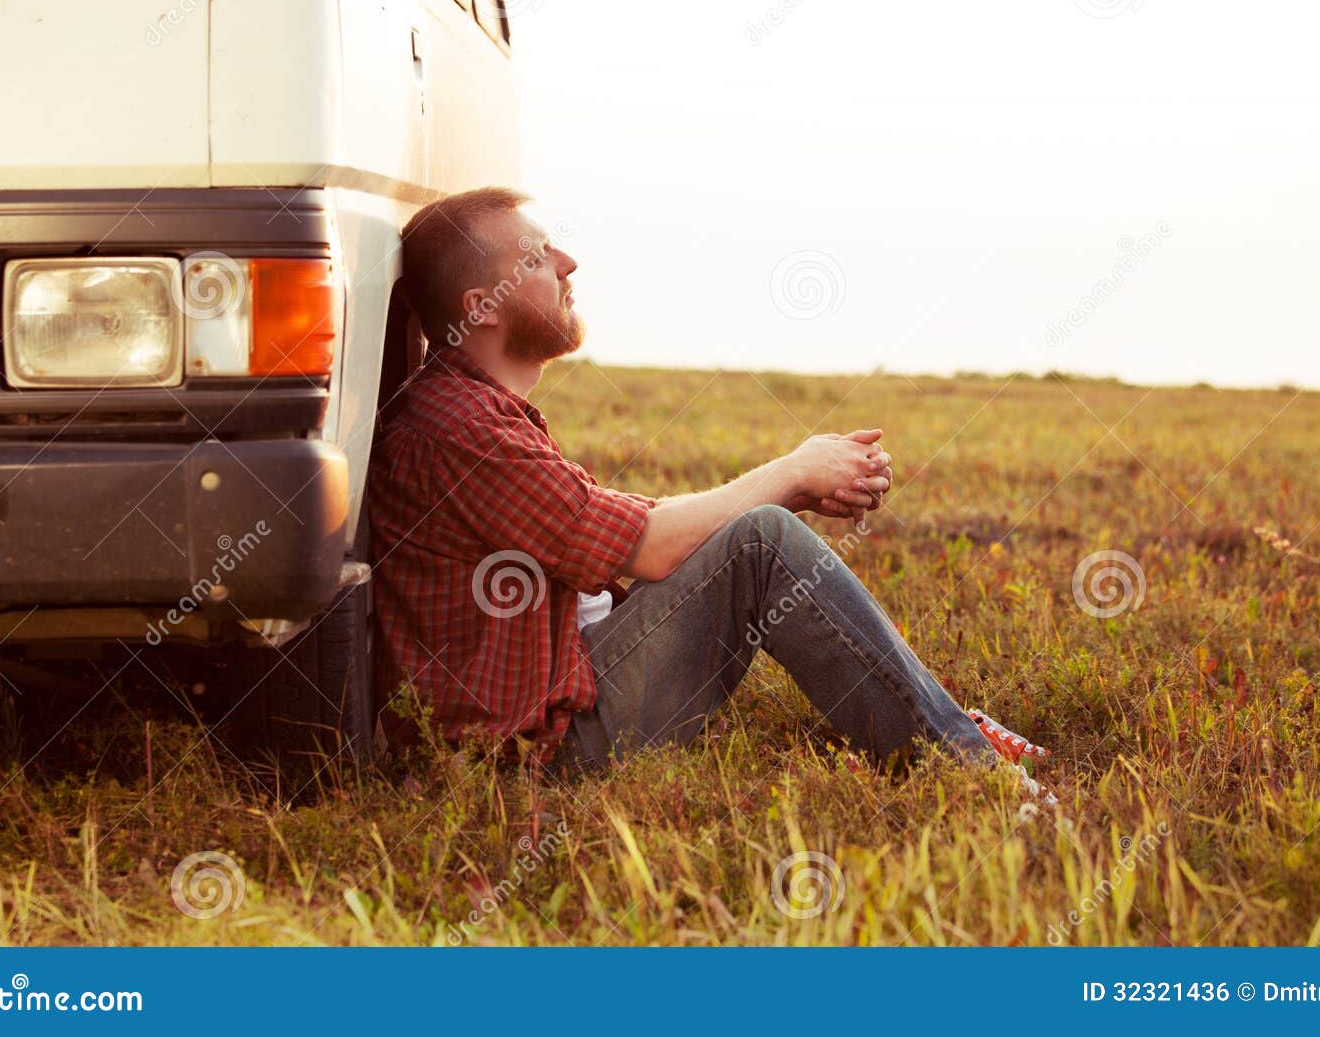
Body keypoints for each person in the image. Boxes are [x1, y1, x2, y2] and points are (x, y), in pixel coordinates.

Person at [366, 187, 1048, 801]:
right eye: (539, 257)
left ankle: (939, 721)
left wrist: (801, 483)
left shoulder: (467, 409)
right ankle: (971, 774)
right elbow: (652, 546)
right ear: (481, 307)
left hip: (555, 690)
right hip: (529, 759)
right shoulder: (463, 428)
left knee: (748, 535)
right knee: (761, 544)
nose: (568, 262)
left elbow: (624, 524)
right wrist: (793, 471)